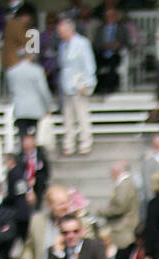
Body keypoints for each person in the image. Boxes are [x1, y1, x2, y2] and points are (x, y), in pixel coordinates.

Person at [56, 17, 96, 158]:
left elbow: (89, 64)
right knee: (67, 118)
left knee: (82, 116)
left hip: (79, 85)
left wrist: (87, 82)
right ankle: (69, 145)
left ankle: (85, 144)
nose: (59, 34)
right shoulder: (62, 45)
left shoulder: (82, 43)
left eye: (61, 32)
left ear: (70, 30)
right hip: (66, 86)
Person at [7, 51, 55, 142]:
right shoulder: (37, 70)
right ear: (30, 57)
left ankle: (24, 153)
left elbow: (12, 91)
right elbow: (43, 90)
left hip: (20, 108)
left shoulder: (11, 71)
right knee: (34, 135)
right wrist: (48, 106)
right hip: (35, 108)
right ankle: (33, 154)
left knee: (23, 134)